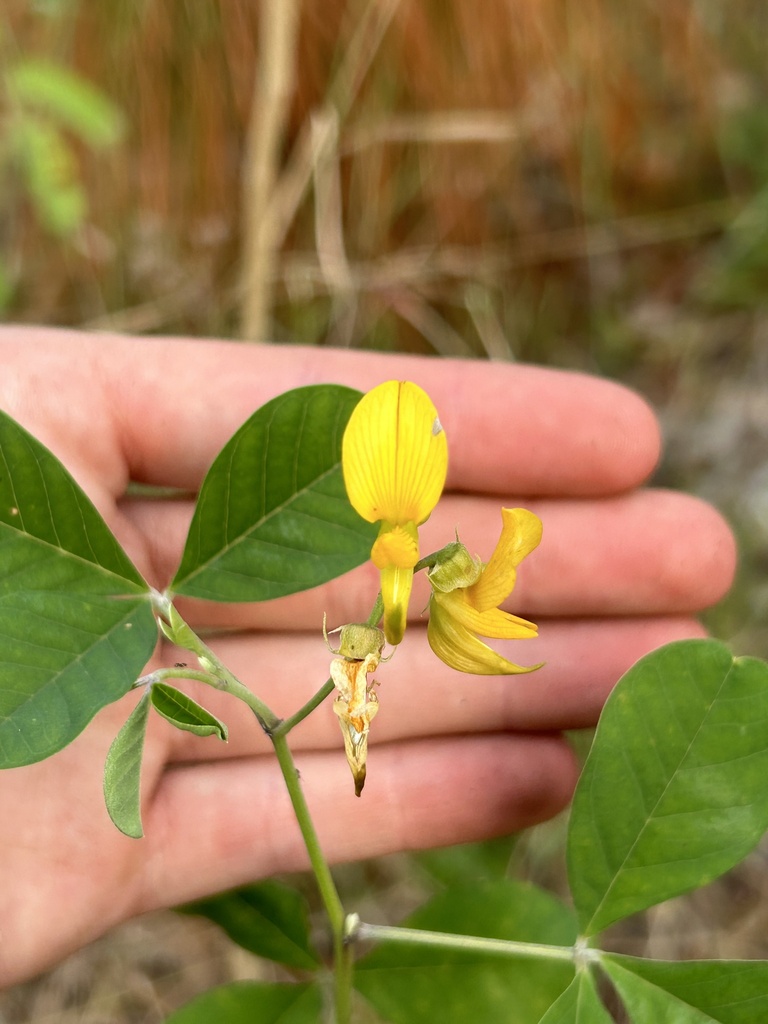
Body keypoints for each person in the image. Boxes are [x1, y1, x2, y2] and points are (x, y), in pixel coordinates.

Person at [0, 325, 735, 988]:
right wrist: (396, 612)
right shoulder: (393, 554)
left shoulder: (404, 562)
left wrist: (406, 613)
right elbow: (395, 585)